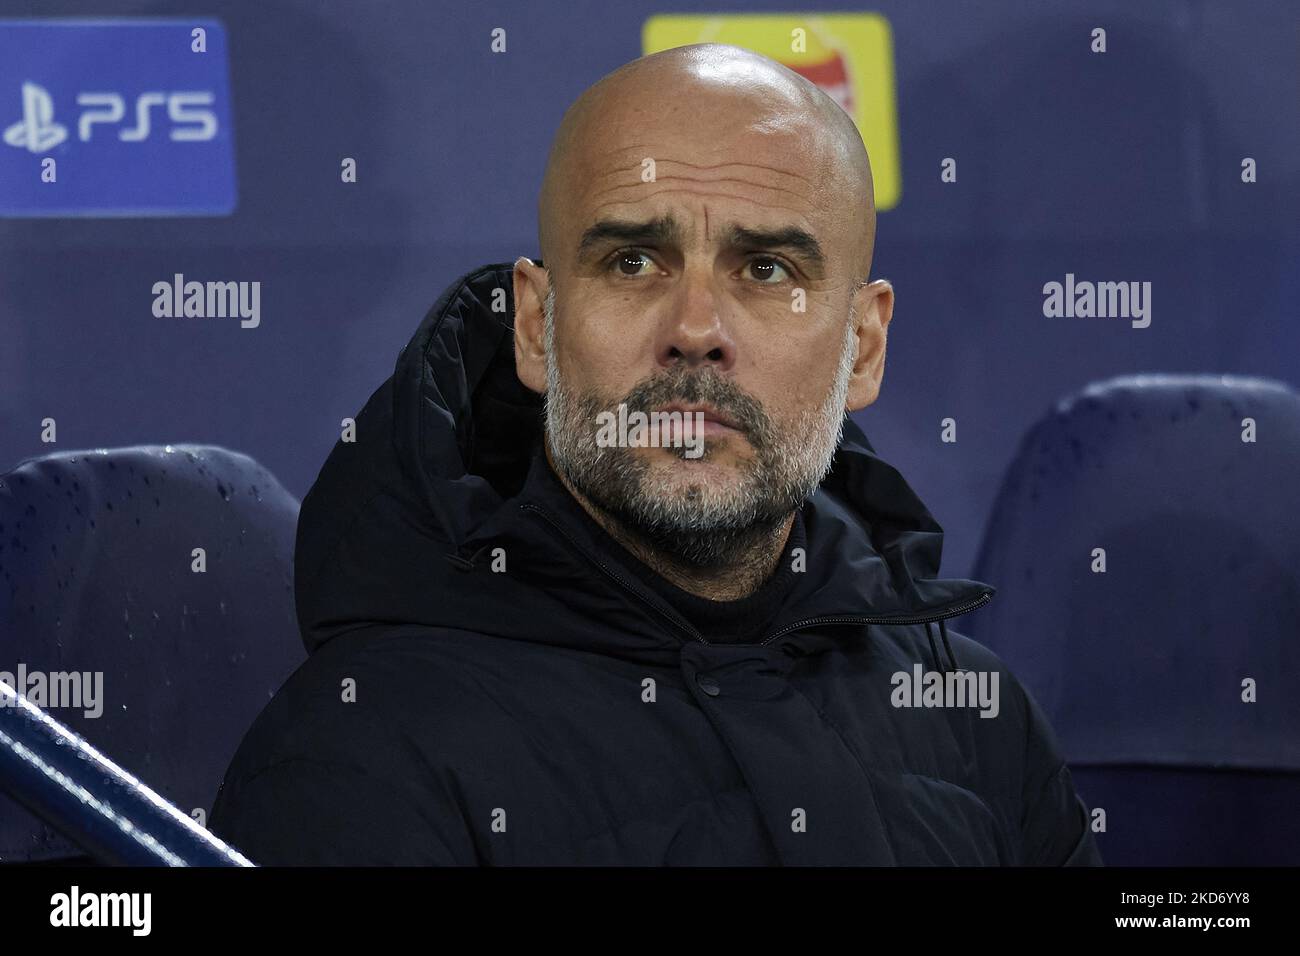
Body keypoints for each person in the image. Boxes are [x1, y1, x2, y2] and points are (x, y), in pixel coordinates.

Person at [209, 43, 1101, 866]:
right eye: (634, 262)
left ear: (862, 348)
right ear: (534, 326)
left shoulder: (980, 722)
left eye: (767, 271)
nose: (697, 331)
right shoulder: (358, 754)